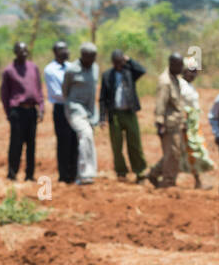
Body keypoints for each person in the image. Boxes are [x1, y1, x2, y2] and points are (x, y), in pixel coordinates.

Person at [99, 50, 148, 182]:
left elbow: (142, 70)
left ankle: (140, 171)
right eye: (116, 62)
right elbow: (102, 98)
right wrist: (102, 118)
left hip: (129, 113)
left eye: (120, 62)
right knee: (117, 146)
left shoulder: (129, 72)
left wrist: (129, 60)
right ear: (112, 62)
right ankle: (121, 172)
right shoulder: (107, 75)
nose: (118, 65)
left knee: (135, 144)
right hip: (114, 114)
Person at [0, 41, 44, 181]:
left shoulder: (33, 68)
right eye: (21, 51)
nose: (24, 53)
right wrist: (9, 112)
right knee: (16, 144)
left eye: (26, 50)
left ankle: (30, 175)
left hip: (32, 111)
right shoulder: (9, 70)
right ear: (15, 52)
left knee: (31, 144)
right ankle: (12, 174)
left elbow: (39, 89)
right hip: (17, 111)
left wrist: (41, 107)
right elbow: (4, 94)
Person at [61, 43, 100, 185]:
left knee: (87, 139)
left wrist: (94, 115)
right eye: (90, 57)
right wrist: (73, 107)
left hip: (90, 111)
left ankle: (83, 173)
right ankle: (85, 174)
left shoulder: (95, 68)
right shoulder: (72, 70)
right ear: (83, 56)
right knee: (86, 134)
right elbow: (65, 91)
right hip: (75, 109)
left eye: (94, 57)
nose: (92, 60)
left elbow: (93, 90)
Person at [148, 53, 187, 189]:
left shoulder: (175, 78)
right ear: (172, 65)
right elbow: (161, 104)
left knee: (174, 153)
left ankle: (155, 173)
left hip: (176, 122)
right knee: (172, 154)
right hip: (168, 124)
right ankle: (167, 183)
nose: (182, 68)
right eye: (180, 65)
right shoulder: (165, 82)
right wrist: (160, 124)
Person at [43, 40, 77, 184]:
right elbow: (56, 92)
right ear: (56, 52)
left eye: (67, 48)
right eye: (63, 49)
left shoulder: (71, 67)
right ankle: (63, 175)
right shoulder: (50, 70)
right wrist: (74, 95)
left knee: (74, 141)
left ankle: (74, 175)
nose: (66, 51)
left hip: (73, 107)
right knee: (63, 142)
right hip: (61, 108)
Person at [179, 59, 215, 188]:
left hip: (193, 123)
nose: (194, 75)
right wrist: (183, 122)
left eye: (195, 72)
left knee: (186, 151)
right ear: (184, 71)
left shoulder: (189, 85)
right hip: (185, 122)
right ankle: (198, 182)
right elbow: (180, 105)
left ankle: (157, 173)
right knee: (191, 151)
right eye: (191, 71)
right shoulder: (180, 85)